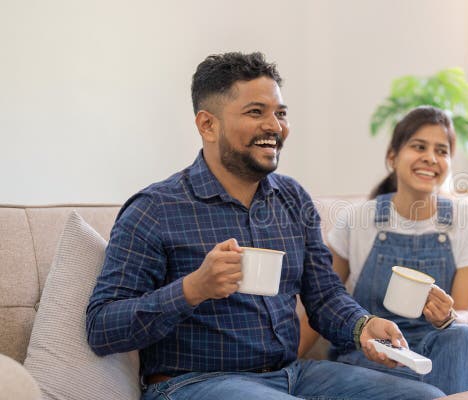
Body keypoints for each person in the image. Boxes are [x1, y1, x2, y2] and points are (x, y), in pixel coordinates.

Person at [85, 52, 445, 400]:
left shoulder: (293, 199)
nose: (275, 127)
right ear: (207, 125)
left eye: (281, 113)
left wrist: (363, 326)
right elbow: (102, 327)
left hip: (290, 375)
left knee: (429, 397)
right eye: (256, 112)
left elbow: (325, 297)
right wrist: (193, 288)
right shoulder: (154, 209)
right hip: (192, 384)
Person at [299, 106, 468, 395]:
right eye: (418, 146)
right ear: (393, 157)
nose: (430, 157)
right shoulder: (357, 220)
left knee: (463, 334)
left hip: (436, 359)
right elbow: (322, 302)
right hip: (370, 358)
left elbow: (464, 312)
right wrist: (277, 366)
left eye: (442, 151)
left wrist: (449, 317)